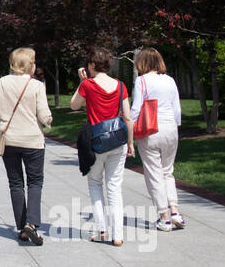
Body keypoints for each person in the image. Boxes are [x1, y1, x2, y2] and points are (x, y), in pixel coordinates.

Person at [0, 47, 53, 244]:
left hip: (9, 139)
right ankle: (31, 223)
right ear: (29, 64)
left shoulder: (2, 82)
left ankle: (22, 228)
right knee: (35, 182)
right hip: (32, 140)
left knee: (15, 183)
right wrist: (49, 120)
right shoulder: (37, 86)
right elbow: (43, 115)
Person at [70, 47, 134, 247]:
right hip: (117, 140)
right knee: (114, 188)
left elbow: (74, 105)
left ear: (91, 65)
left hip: (96, 143)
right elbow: (127, 117)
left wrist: (81, 83)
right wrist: (130, 142)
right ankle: (118, 235)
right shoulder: (121, 86)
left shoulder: (88, 85)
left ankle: (101, 229)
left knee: (95, 184)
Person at [130, 47, 185, 232]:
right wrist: (175, 126)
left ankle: (164, 216)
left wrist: (129, 130)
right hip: (170, 128)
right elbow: (177, 108)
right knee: (167, 171)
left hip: (150, 129)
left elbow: (136, 109)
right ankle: (175, 210)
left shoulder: (141, 81)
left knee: (154, 173)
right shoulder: (170, 80)